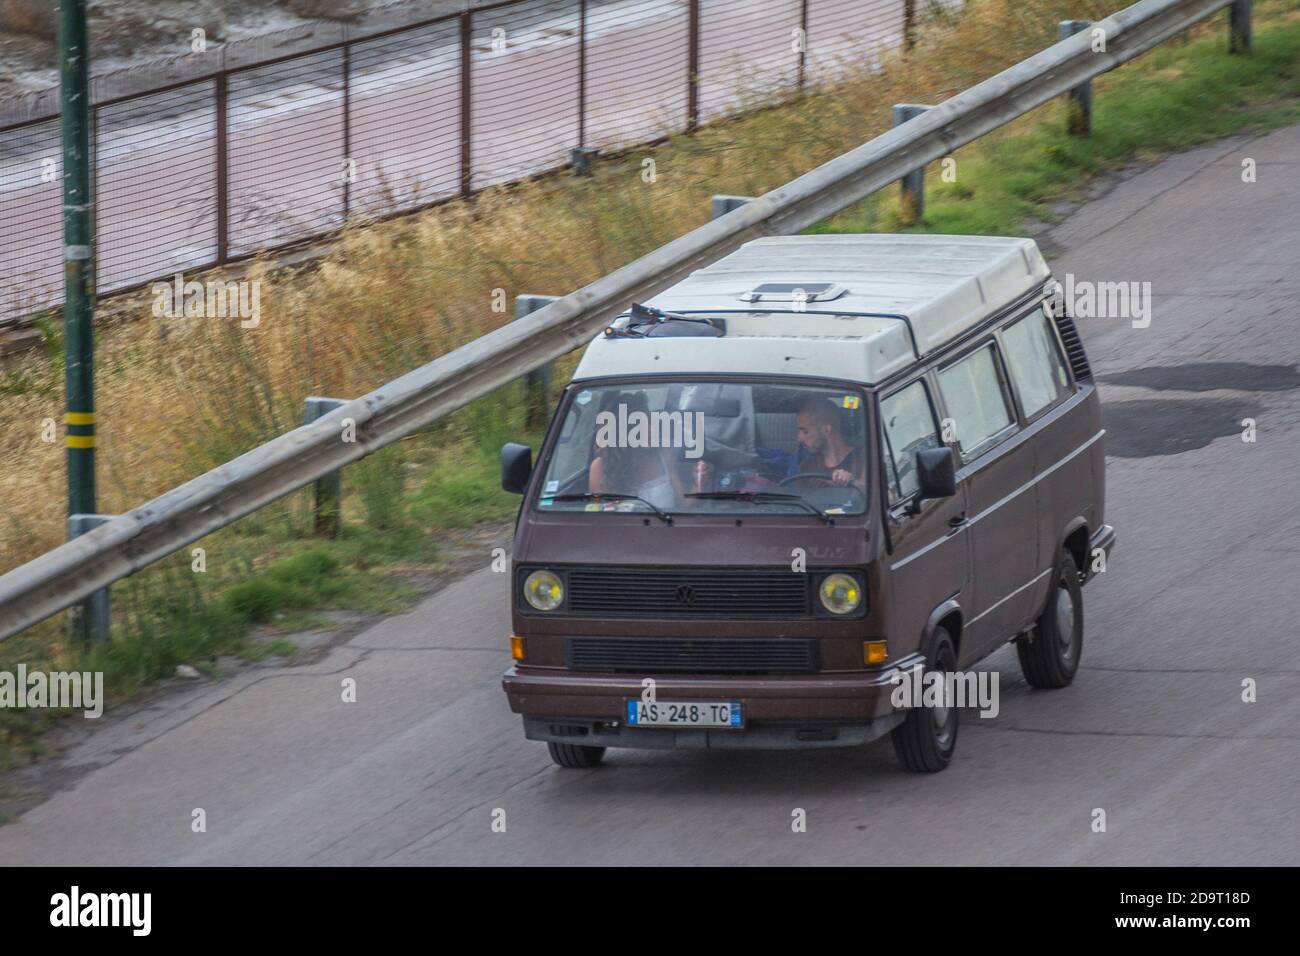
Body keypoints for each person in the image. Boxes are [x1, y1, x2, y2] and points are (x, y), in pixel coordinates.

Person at [795, 398, 866, 488]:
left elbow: (873, 492)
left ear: (826, 430)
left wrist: (852, 482)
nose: (799, 439)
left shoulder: (862, 458)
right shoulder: (807, 467)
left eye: (805, 431)